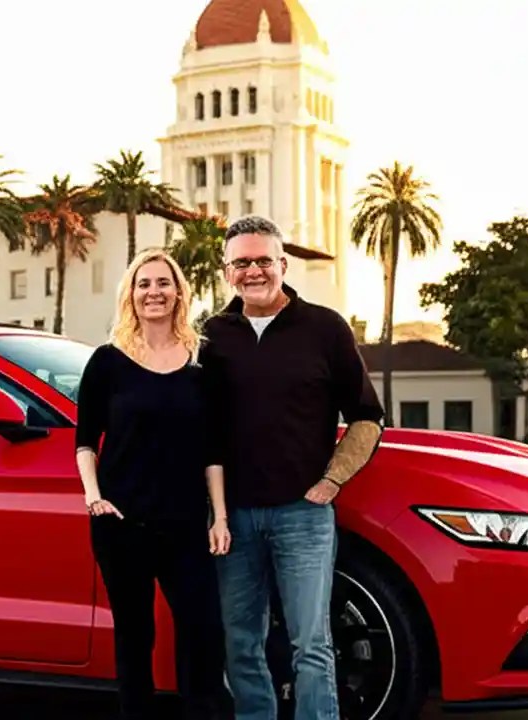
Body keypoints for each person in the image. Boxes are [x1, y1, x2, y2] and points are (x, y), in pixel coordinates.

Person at [200, 216, 385, 720]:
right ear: (226, 271)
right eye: (241, 263)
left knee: (313, 644)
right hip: (232, 519)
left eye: (263, 260)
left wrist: (331, 480)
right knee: (241, 644)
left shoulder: (325, 328)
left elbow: (367, 417)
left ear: (283, 265)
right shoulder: (211, 336)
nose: (253, 271)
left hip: (302, 515)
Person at [75, 247, 231, 720]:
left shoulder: (203, 366)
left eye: (163, 283)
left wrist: (219, 516)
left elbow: (213, 451)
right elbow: (86, 441)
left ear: (179, 292)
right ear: (131, 295)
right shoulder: (107, 362)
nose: (153, 292)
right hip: (122, 523)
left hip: (185, 525)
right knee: (135, 636)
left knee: (203, 633)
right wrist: (94, 498)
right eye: (144, 284)